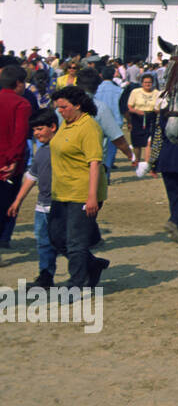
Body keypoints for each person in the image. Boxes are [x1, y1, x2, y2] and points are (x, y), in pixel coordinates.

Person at [48, 86, 110, 288]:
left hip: (81, 193)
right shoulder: (66, 124)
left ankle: (76, 282)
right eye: (58, 107)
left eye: (64, 107)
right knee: (57, 237)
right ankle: (93, 265)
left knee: (76, 242)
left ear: (77, 105)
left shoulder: (89, 127)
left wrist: (91, 196)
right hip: (61, 192)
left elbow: (94, 163)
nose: (60, 111)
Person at [7, 108, 58, 287]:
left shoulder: (62, 148)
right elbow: (32, 176)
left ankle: (89, 266)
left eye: (40, 129)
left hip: (60, 204)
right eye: (34, 130)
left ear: (53, 126)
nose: (36, 133)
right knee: (43, 242)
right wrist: (18, 200)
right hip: (42, 205)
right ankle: (45, 276)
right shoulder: (41, 151)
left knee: (64, 242)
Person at [0, 64, 33, 251]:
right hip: (8, 163)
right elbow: (19, 135)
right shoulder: (21, 104)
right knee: (10, 202)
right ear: (18, 83)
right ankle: (4, 238)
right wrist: (13, 160)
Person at [127, 73, 160, 174]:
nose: (147, 84)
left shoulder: (157, 93)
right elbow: (129, 106)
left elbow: (159, 106)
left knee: (149, 141)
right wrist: (136, 111)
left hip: (151, 117)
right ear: (142, 83)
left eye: (149, 82)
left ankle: (147, 163)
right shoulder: (135, 92)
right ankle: (137, 160)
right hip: (137, 117)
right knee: (136, 142)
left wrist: (156, 110)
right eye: (145, 82)